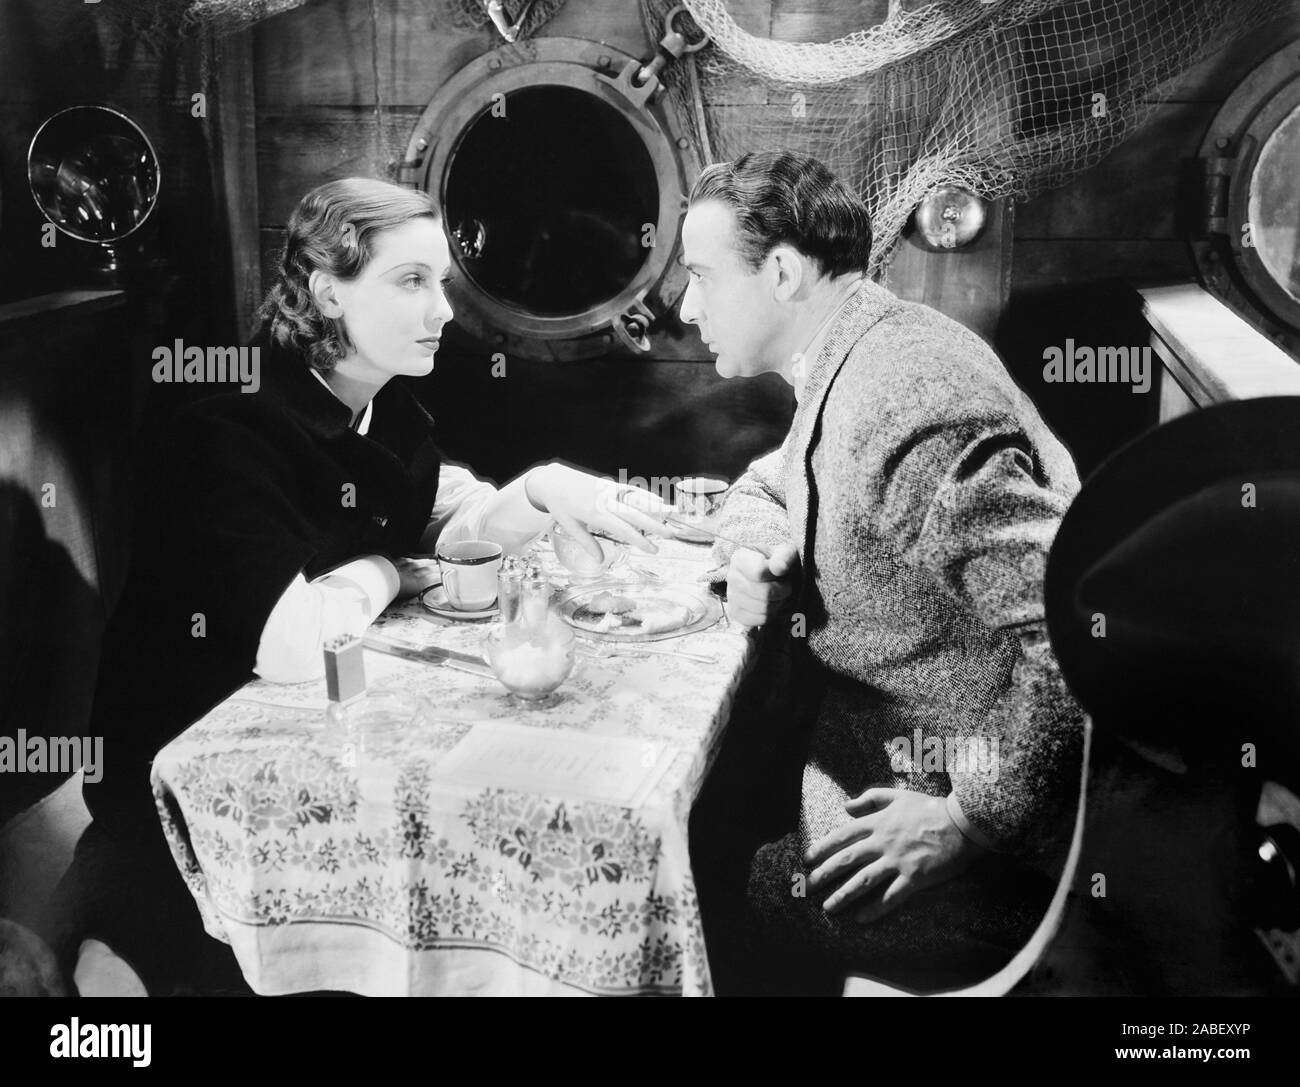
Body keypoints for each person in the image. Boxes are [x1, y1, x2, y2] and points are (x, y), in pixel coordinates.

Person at [60, 177, 672, 994]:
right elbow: (290, 645)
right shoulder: (226, 422)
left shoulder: (384, 409)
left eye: (442, 285)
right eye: (411, 282)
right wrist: (389, 570)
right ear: (326, 292)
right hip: (184, 784)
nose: (443, 312)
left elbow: (441, 523)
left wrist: (545, 488)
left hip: (324, 750)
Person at [679, 151, 1087, 993]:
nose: (688, 308)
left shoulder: (905, 396)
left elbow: (1075, 628)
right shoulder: (858, 349)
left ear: (783, 272)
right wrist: (760, 549)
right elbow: (773, 478)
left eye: (701, 277)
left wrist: (970, 822)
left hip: (1004, 833)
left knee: (731, 884)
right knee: (719, 806)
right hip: (878, 751)